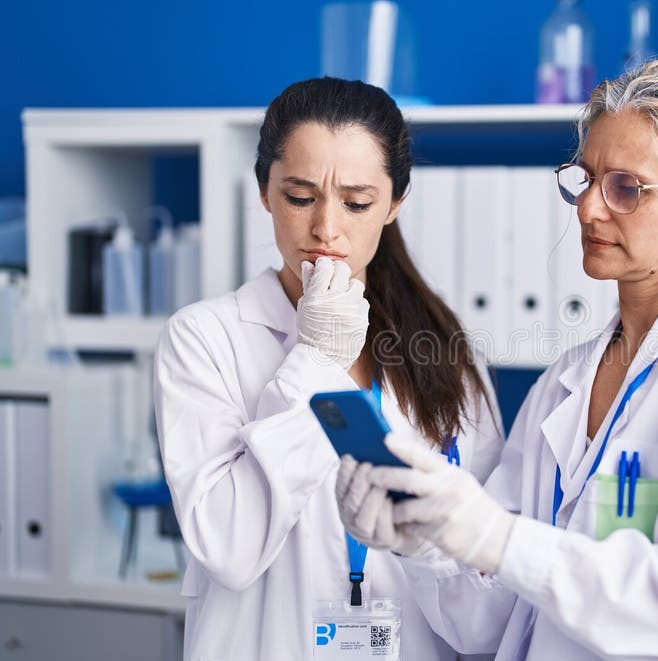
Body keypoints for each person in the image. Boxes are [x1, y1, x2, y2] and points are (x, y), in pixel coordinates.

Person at [335, 58, 658, 661]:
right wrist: (425, 543)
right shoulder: (564, 382)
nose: (588, 209)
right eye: (585, 180)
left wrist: (498, 537)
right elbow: (492, 625)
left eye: (626, 188)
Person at [153, 77, 504, 661]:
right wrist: (317, 359)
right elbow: (229, 547)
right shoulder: (204, 338)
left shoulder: (445, 350)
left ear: (394, 204)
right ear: (265, 191)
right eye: (299, 196)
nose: (326, 229)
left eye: (358, 202)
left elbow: (485, 606)